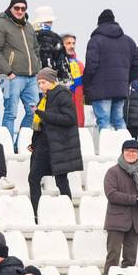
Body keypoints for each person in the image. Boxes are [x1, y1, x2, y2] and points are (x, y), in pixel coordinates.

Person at [28, 67, 84, 221]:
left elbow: (69, 119)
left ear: (52, 81)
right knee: (33, 178)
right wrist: (34, 142)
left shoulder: (62, 95)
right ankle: (36, 213)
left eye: (43, 82)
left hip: (58, 146)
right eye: (39, 82)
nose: (40, 85)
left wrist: (42, 114)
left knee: (61, 180)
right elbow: (41, 125)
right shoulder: (44, 98)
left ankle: (70, 212)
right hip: (44, 145)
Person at [0, 0, 40, 148]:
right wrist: (8, 72)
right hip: (11, 77)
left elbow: (36, 49)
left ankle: (20, 145)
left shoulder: (29, 27)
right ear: (10, 8)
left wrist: (37, 68)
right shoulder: (0, 25)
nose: (20, 11)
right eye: (17, 8)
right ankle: (7, 147)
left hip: (31, 78)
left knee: (34, 113)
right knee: (11, 113)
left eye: (23, 8)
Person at [82, 9, 138, 131]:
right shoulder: (128, 41)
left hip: (100, 90)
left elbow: (91, 67)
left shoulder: (95, 41)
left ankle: (107, 149)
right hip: (120, 88)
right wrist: (127, 79)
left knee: (104, 121)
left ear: (99, 24)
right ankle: (124, 147)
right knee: (119, 120)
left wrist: (86, 87)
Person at [103, 139, 138, 273]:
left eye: (134, 151)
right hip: (116, 221)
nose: (131, 153)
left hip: (134, 221)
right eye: (128, 151)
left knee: (130, 260)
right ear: (122, 152)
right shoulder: (113, 172)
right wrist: (136, 199)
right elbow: (112, 195)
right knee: (113, 257)